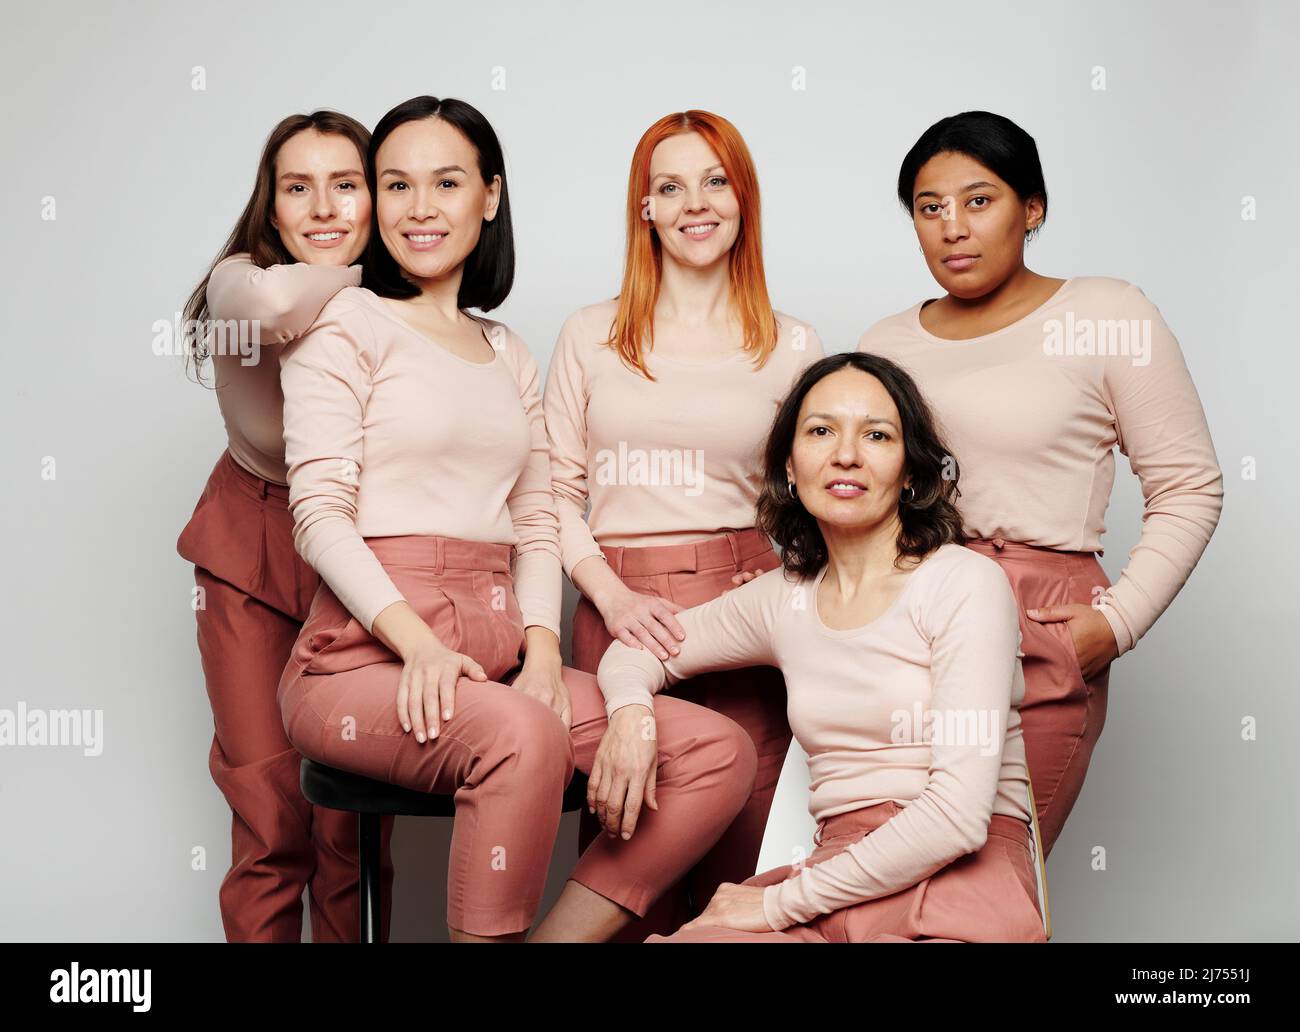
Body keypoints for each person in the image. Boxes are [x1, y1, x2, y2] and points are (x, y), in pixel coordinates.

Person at [274, 95, 758, 943]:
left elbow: (538, 518)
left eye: (447, 182)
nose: (420, 208)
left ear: (489, 197)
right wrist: (416, 643)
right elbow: (318, 515)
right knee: (523, 736)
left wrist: (540, 650)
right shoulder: (343, 323)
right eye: (396, 185)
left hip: (495, 656)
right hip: (356, 660)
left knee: (716, 753)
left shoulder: (506, 350)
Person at [857, 111, 1223, 854]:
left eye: (978, 200)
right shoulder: (883, 343)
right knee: (873, 873)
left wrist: (1114, 625)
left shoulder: (1106, 312)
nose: (953, 226)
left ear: (1033, 208)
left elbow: (1189, 485)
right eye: (930, 209)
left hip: (1041, 617)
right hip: (903, 619)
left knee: (985, 883)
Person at [599, 352, 1046, 942]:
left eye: (877, 435)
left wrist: (779, 906)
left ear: (911, 472)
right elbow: (636, 651)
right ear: (790, 464)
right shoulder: (783, 598)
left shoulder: (965, 583)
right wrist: (631, 718)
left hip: (960, 881)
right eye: (820, 431)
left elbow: (957, 820)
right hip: (832, 873)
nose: (846, 454)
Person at [543, 109, 824, 940]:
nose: (695, 202)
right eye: (670, 185)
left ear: (743, 199)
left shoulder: (793, 344)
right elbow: (550, 496)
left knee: (748, 869)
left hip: (749, 606)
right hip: (619, 604)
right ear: (646, 209)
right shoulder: (590, 335)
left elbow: (822, 505)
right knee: (633, 855)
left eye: (715, 180)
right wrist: (612, 597)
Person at [176, 110, 396, 942]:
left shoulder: (408, 304)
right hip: (251, 551)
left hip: (359, 558)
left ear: (374, 197)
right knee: (272, 810)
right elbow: (270, 311)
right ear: (270, 207)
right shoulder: (243, 280)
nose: (324, 208)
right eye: (297, 188)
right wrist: (359, 274)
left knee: (350, 824)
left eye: (347, 185)